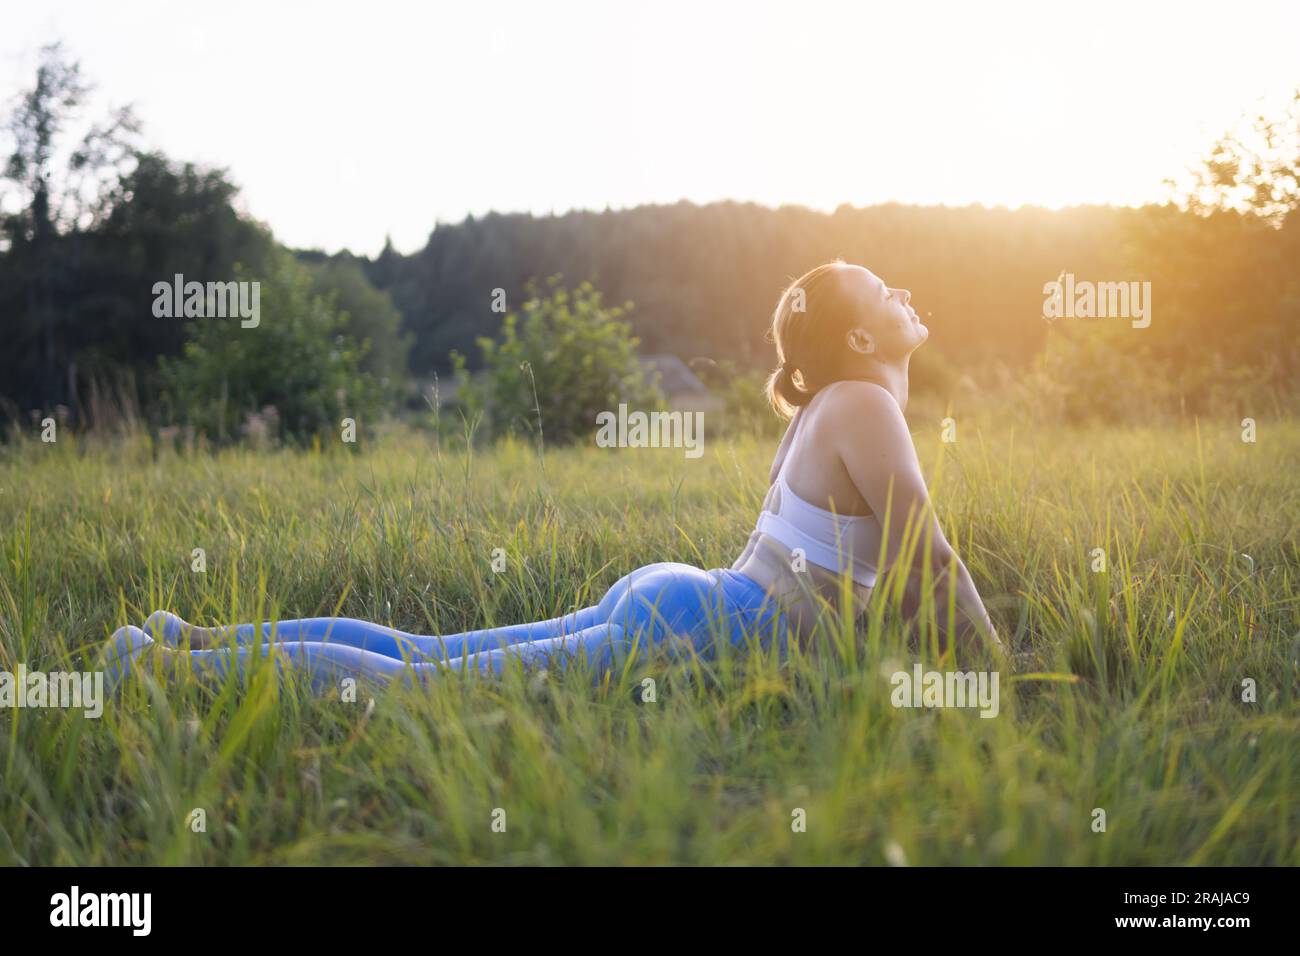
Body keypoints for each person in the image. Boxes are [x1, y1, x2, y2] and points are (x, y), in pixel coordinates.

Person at [104, 261, 1001, 691]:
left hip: (693, 603)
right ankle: (162, 669)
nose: (906, 294)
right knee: (431, 689)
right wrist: (1002, 674)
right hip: (712, 626)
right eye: (885, 292)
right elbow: (928, 558)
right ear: (857, 339)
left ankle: (190, 636)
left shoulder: (827, 410)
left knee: (428, 658)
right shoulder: (861, 404)